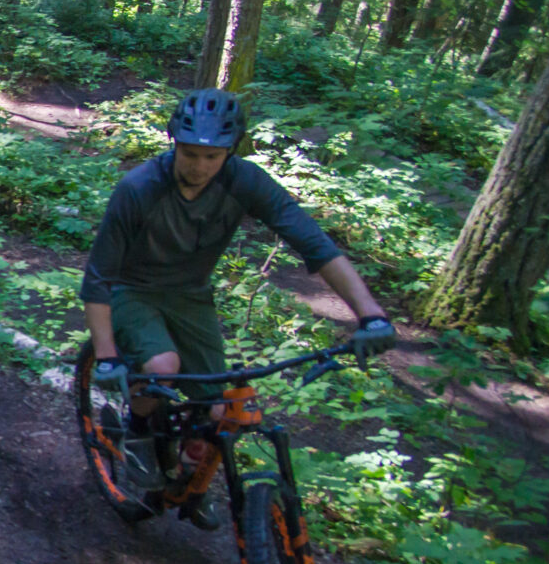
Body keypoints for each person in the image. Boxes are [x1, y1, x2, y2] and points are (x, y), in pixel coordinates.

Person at [81, 88, 396, 526]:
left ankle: (191, 480)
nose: (201, 167)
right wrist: (108, 355)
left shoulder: (243, 181)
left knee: (220, 406)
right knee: (163, 364)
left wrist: (370, 313)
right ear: (173, 141)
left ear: (231, 151)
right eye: (190, 154)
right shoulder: (139, 188)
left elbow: (313, 243)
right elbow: (97, 278)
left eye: (214, 157)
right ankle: (136, 435)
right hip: (132, 290)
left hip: (191, 296)